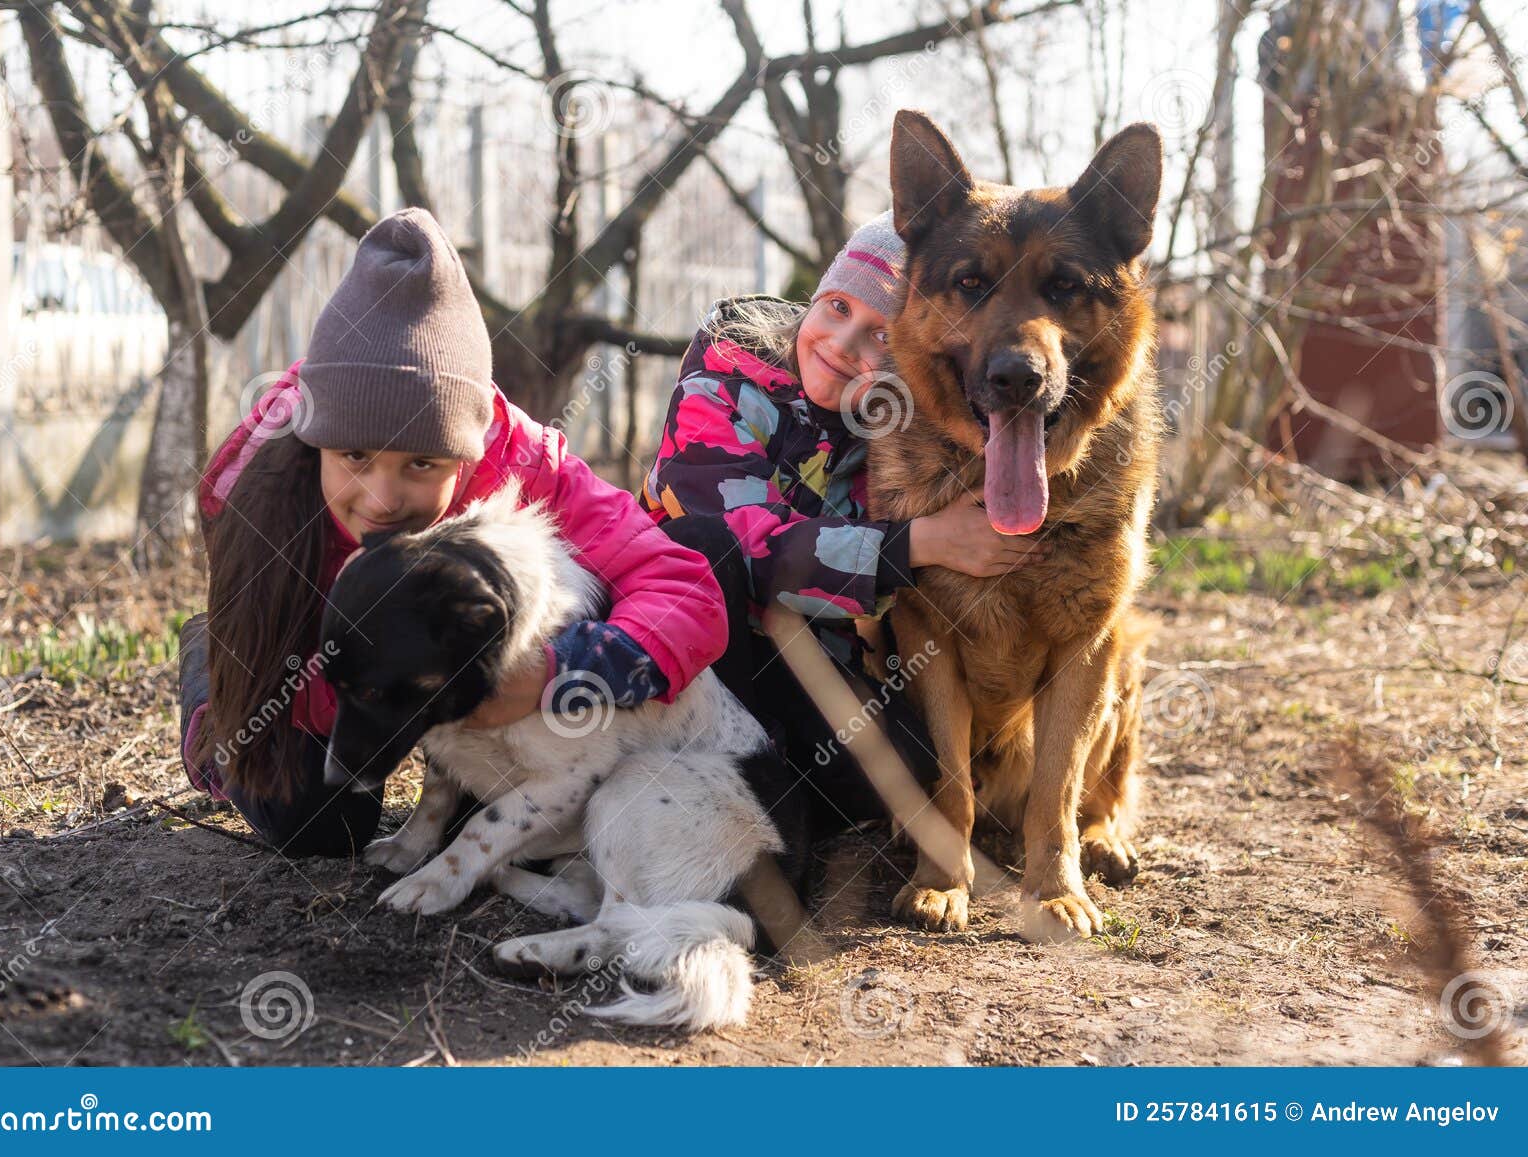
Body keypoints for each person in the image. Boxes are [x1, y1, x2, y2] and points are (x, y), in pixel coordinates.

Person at [178, 208, 727, 857]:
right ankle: (203, 659)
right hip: (305, 665)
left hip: (435, 676)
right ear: (316, 442)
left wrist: (554, 673)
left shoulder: (521, 467)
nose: (382, 500)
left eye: (422, 463)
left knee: (489, 796)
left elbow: (690, 592)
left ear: (467, 454)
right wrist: (389, 679)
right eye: (354, 456)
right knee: (318, 822)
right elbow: (326, 701)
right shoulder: (255, 493)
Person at [640, 213, 1049, 838]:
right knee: (705, 547)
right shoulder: (729, 367)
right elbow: (743, 545)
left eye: (881, 337)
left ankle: (781, 781)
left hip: (800, 662)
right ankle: (717, 785)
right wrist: (918, 544)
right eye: (836, 307)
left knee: (906, 769)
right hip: (690, 643)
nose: (842, 344)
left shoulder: (901, 430)